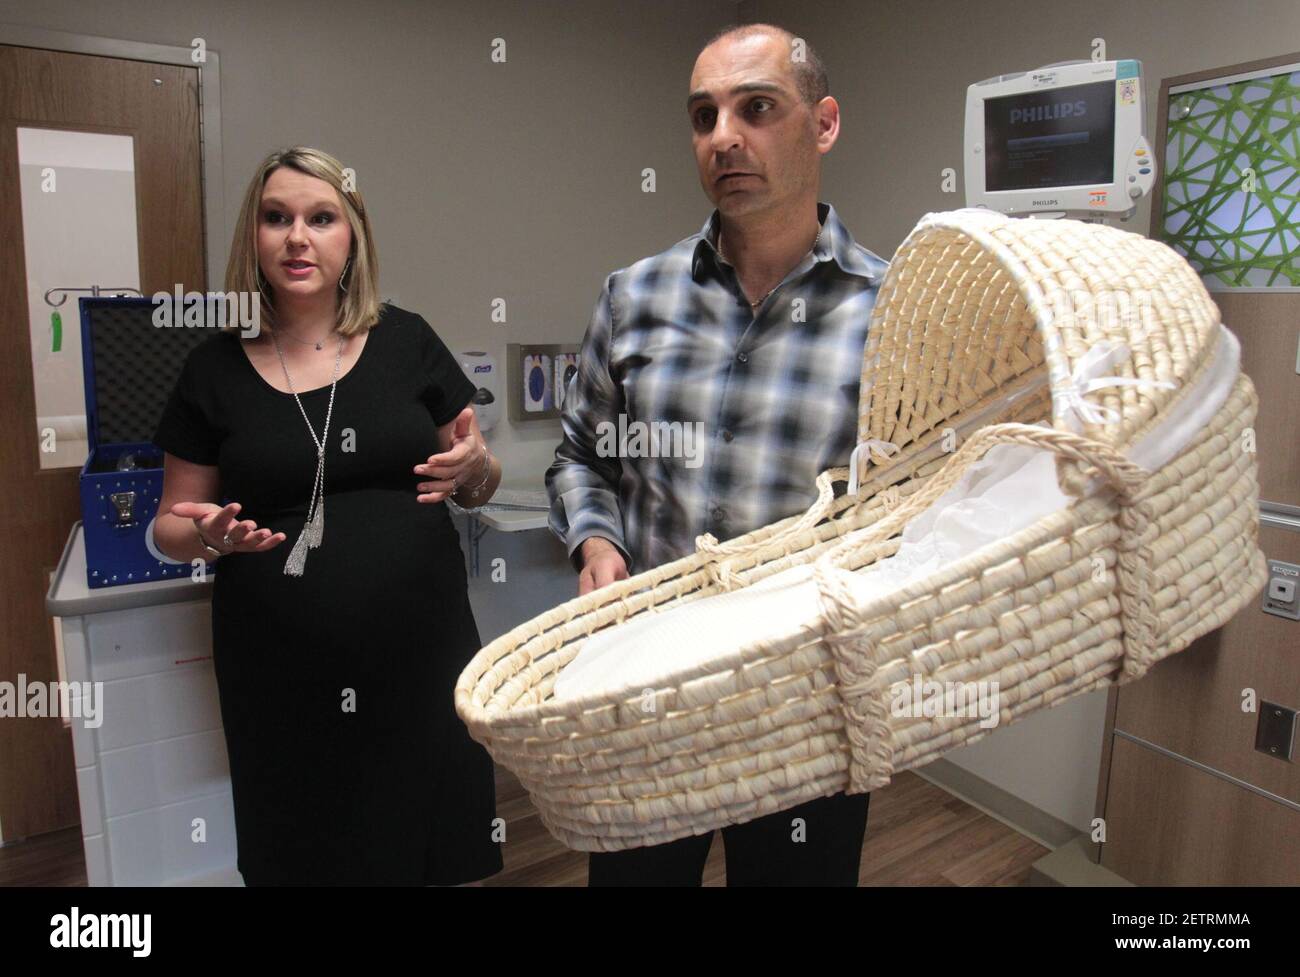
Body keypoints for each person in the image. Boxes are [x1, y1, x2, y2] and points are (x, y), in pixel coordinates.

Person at [545, 24, 888, 886]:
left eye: (757, 108)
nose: (723, 137)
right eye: (704, 116)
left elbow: (916, 508)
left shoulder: (891, 313)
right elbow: (579, 453)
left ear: (825, 124)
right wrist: (598, 542)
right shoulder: (636, 296)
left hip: (807, 710)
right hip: (652, 696)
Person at [153, 146, 503, 885]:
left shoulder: (407, 340)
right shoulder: (211, 370)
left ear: (354, 236)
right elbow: (168, 527)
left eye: (321, 218)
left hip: (420, 656)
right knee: (307, 852)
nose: (297, 238)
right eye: (276, 218)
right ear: (253, 235)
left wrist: (478, 470)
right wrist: (208, 535)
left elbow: (476, 476)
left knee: (433, 845)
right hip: (280, 674)